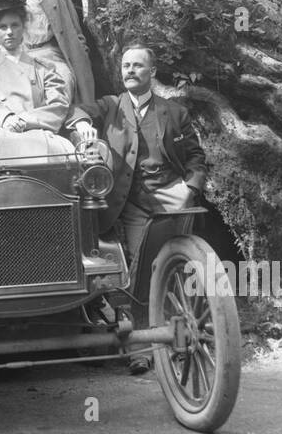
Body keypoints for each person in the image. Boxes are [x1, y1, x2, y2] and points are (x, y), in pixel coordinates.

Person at [66, 44, 208, 372]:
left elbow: (196, 158)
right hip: (130, 203)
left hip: (172, 199)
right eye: (126, 66)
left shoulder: (174, 113)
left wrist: (190, 187)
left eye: (138, 66)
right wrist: (84, 126)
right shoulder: (111, 106)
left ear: (152, 73)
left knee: (180, 268)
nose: (130, 71)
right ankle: (141, 351)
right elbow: (76, 112)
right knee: (138, 272)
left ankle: (182, 338)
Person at [0, 0, 76, 162]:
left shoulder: (43, 69)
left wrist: (25, 120)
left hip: (37, 132)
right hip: (1, 136)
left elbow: (58, 106)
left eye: (15, 25)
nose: (9, 32)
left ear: (23, 27)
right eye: (3, 27)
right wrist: (4, 119)